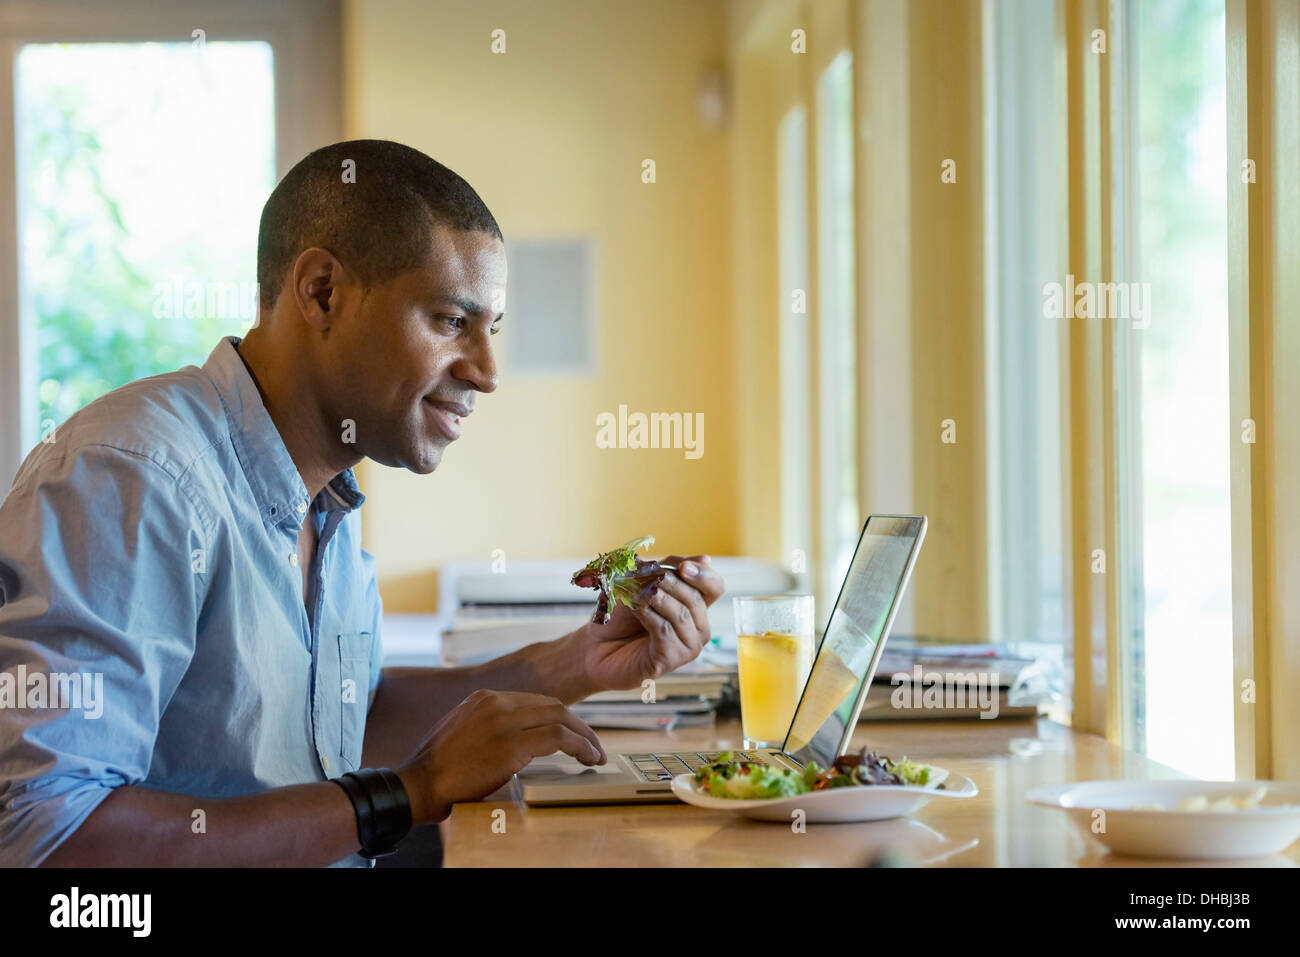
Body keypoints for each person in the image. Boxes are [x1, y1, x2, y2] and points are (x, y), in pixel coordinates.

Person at [0, 140, 724, 866]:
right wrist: (406, 792)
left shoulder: (328, 505)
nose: (488, 372)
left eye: (491, 330)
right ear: (321, 292)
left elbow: (348, 722)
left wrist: (578, 663)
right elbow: (50, 836)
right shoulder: (133, 475)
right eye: (450, 321)